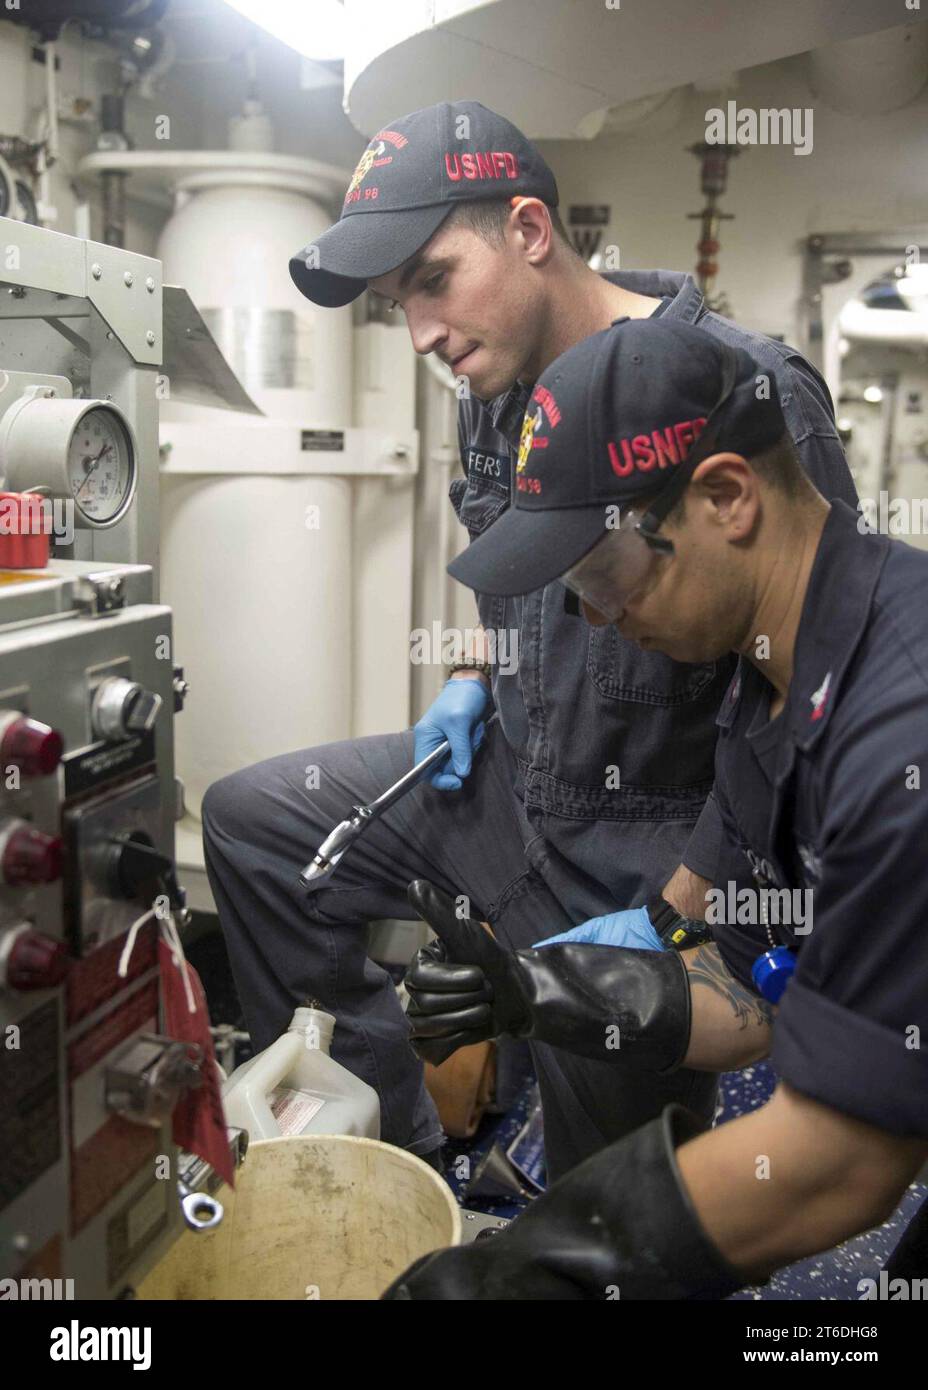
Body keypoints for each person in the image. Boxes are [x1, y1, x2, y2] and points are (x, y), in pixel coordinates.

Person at [201, 99, 857, 1179]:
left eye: (429, 280)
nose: (420, 333)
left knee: (609, 1210)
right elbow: (504, 574)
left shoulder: (743, 389)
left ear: (528, 229)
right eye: (393, 301)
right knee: (255, 824)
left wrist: (671, 917)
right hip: (511, 783)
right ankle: (389, 1158)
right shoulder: (486, 383)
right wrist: (470, 673)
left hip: (662, 835)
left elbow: (805, 697)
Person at [386, 316, 928, 1298]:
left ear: (725, 496)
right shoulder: (766, 675)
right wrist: (542, 989)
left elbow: (842, 1161)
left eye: (603, 576)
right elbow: (758, 991)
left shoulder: (898, 735)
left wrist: (508, 1276)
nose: (596, 617)